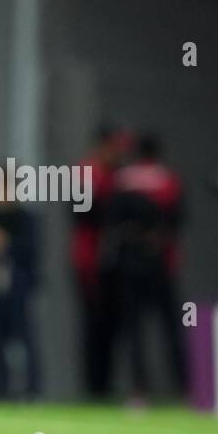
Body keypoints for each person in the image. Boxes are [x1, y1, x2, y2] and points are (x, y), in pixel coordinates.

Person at [105, 133, 187, 402]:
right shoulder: (168, 179)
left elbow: (111, 219)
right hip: (161, 262)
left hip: (130, 264)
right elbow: (178, 220)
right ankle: (184, 385)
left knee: (134, 329)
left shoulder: (123, 179)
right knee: (171, 326)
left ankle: (140, 388)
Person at [73, 123, 128, 398]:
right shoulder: (87, 173)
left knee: (111, 324)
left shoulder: (117, 176)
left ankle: (105, 384)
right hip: (89, 261)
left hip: (111, 262)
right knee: (94, 323)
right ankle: (95, 386)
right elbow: (82, 212)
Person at [0, 196, 40, 400]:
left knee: (24, 336)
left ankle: (32, 388)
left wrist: (4, 241)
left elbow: (30, 251)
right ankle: (0, 388)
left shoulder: (26, 218)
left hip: (19, 287)